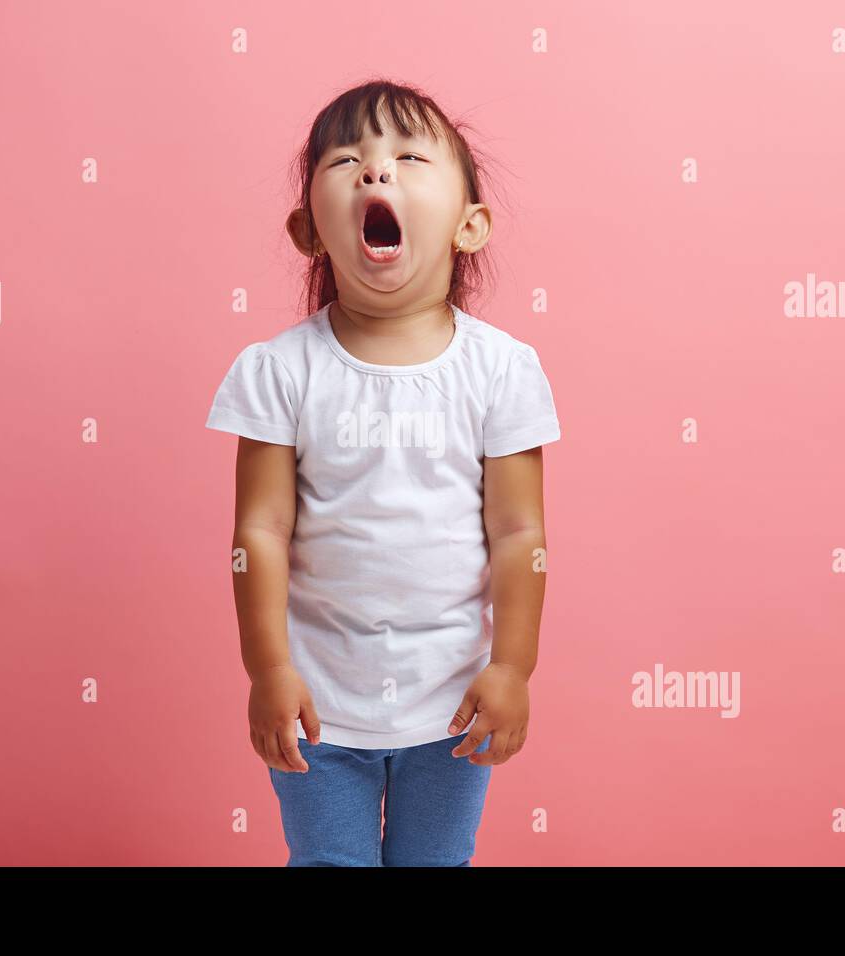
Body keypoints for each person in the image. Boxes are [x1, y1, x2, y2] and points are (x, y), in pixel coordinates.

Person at [206, 79, 561, 866]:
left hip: (454, 705)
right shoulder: (278, 371)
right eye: (347, 161)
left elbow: (518, 531)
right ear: (308, 231)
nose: (376, 173)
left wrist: (513, 667)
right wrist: (268, 670)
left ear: (470, 225)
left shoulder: (502, 371)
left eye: (407, 157)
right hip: (319, 706)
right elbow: (258, 532)